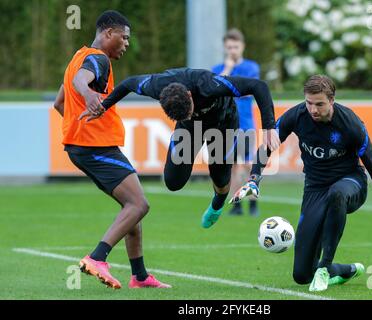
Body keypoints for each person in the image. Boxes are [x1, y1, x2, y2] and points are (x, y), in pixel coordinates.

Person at [230, 74, 372, 292]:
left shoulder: (351, 124)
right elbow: (268, 145)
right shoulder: (296, 116)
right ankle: (346, 269)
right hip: (315, 188)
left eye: (319, 104)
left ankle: (324, 267)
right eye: (309, 103)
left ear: (332, 101)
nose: (313, 109)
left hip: (351, 183)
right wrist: (254, 178)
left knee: (337, 193)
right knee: (301, 275)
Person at [53, 10, 170, 289]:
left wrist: (80, 121)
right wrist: (89, 94)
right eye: (124, 37)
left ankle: (139, 276)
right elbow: (81, 82)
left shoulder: (78, 57)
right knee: (139, 204)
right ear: (109, 33)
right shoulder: (99, 59)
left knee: (132, 205)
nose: (126, 44)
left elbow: (60, 102)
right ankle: (97, 258)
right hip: (96, 147)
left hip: (83, 146)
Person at [79, 68, 281, 229]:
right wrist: (103, 107)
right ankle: (187, 127)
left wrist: (269, 127)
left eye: (189, 111)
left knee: (220, 177)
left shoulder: (209, 85)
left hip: (222, 124)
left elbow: (258, 86)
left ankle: (218, 204)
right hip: (189, 129)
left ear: (190, 95)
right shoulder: (156, 85)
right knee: (173, 182)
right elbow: (127, 83)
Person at [212, 28, 260, 216]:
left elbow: (249, 90)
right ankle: (237, 204)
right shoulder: (218, 69)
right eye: (229, 47)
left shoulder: (251, 67)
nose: (232, 50)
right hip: (226, 125)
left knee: (248, 165)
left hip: (246, 123)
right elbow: (215, 88)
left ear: (242, 47)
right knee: (231, 165)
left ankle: (253, 202)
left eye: (235, 46)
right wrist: (228, 68)